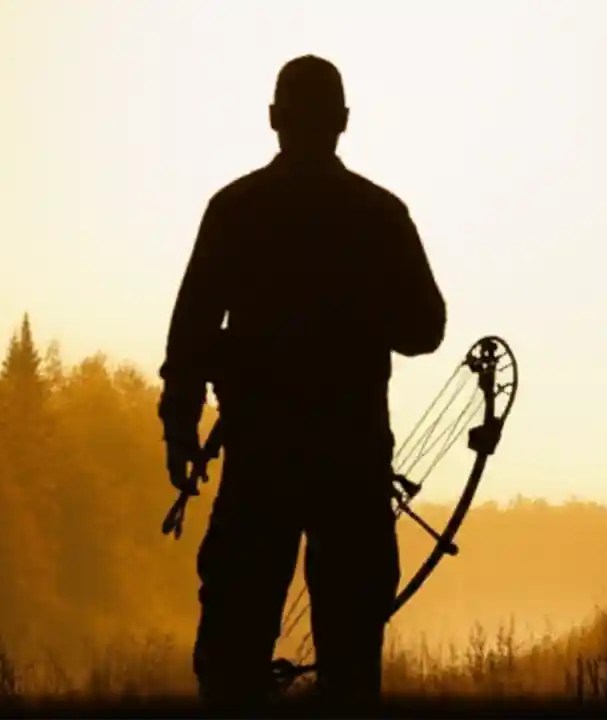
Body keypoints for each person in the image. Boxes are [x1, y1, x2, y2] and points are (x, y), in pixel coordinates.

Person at [157, 55, 446, 709]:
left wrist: (180, 427)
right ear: (343, 122)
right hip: (351, 464)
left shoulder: (236, 210)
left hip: (262, 465)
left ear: (273, 120)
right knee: (349, 662)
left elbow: (192, 333)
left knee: (234, 658)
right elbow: (425, 329)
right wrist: (358, 310)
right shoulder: (380, 215)